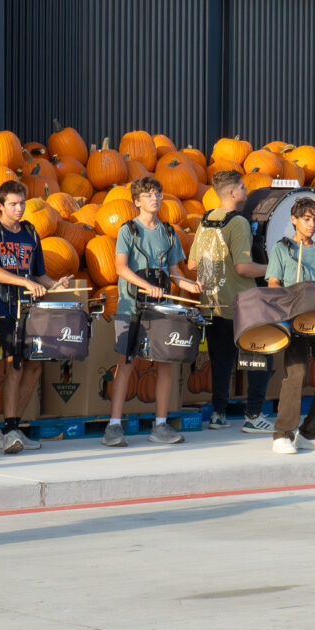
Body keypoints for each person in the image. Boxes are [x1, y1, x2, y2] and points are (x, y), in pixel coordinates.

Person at [104, 176, 202, 447]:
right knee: (125, 364)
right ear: (137, 202)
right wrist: (146, 285)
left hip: (160, 310)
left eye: (158, 194)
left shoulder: (169, 232)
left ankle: (160, 424)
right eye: (148, 195)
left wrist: (191, 285)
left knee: (165, 363)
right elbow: (121, 268)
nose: (154, 198)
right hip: (131, 306)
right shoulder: (128, 231)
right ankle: (113, 426)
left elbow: (174, 274)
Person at [188, 170, 268, 431]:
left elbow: (192, 264)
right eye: (243, 188)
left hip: (212, 304)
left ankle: (218, 415)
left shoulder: (206, 219)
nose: (246, 192)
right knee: (258, 358)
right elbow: (243, 268)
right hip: (241, 304)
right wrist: (273, 268)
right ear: (232, 192)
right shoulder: (239, 223)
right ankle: (254, 416)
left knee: (221, 362)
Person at [263, 199, 315, 453]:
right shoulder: (281, 249)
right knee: (295, 375)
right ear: (294, 220)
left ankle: (311, 432)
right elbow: (273, 283)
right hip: (293, 321)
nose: (312, 224)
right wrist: (288, 300)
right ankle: (282, 434)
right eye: (307, 219)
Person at [0, 181, 52, 454]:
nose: (19, 208)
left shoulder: (31, 233)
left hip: (32, 310)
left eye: (22, 202)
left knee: (35, 367)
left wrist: (56, 284)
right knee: (15, 366)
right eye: (13, 203)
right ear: (0, 205)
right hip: (6, 308)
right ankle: (8, 429)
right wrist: (24, 282)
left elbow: (39, 274)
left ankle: (13, 429)